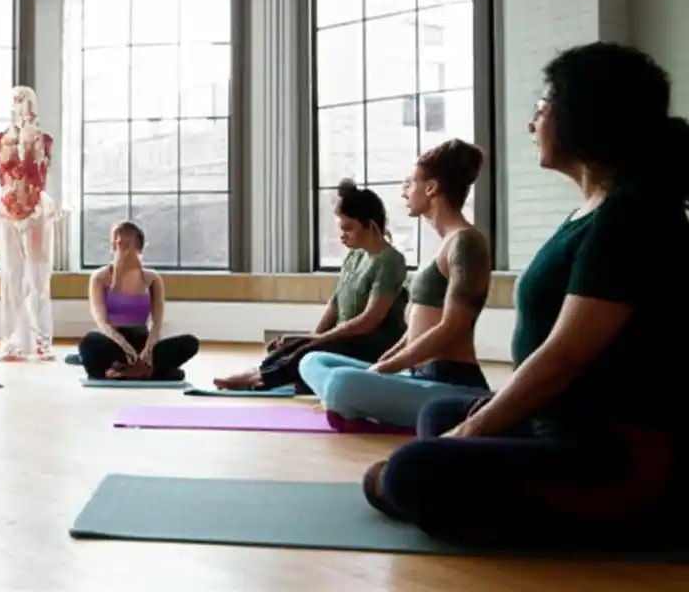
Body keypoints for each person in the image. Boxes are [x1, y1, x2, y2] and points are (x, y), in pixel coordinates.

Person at [366, 42, 689, 548]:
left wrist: (472, 437)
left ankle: (474, 496)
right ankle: (468, 490)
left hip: (618, 458)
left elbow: (564, 357)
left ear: (584, 114)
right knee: (440, 413)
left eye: (540, 109)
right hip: (560, 425)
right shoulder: (598, 210)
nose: (531, 123)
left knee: (410, 469)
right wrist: (478, 423)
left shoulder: (633, 216)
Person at [298, 139, 492, 429]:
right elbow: (416, 330)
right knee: (313, 361)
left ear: (431, 188)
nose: (404, 191)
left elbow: (452, 327)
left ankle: (353, 402)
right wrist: (384, 366)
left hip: (450, 380)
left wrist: (381, 371)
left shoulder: (466, 242)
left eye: (410, 182)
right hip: (417, 374)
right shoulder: (443, 245)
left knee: (341, 384)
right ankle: (359, 404)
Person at [214, 181, 407, 391]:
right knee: (290, 346)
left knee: (310, 349)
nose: (342, 235)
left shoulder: (390, 261)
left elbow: (369, 320)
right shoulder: (355, 255)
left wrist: (317, 340)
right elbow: (336, 302)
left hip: (369, 345)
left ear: (370, 225)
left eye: (348, 228)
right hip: (345, 338)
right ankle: (262, 373)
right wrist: (310, 337)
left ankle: (262, 380)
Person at [0, 86, 56, 362]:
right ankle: (13, 339)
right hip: (6, 210)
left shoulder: (43, 140)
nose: (21, 104)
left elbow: (43, 172)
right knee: (11, 277)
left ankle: (40, 338)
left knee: (37, 276)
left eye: (25, 99)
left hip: (35, 210)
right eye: (16, 99)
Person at [78, 222, 199, 381]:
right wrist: (123, 345)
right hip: (114, 341)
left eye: (126, 243)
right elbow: (102, 323)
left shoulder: (152, 279)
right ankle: (141, 372)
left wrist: (148, 350)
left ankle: (128, 371)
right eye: (117, 242)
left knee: (190, 343)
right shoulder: (100, 278)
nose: (119, 247)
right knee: (89, 343)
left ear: (138, 247)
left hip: (142, 341)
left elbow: (156, 324)